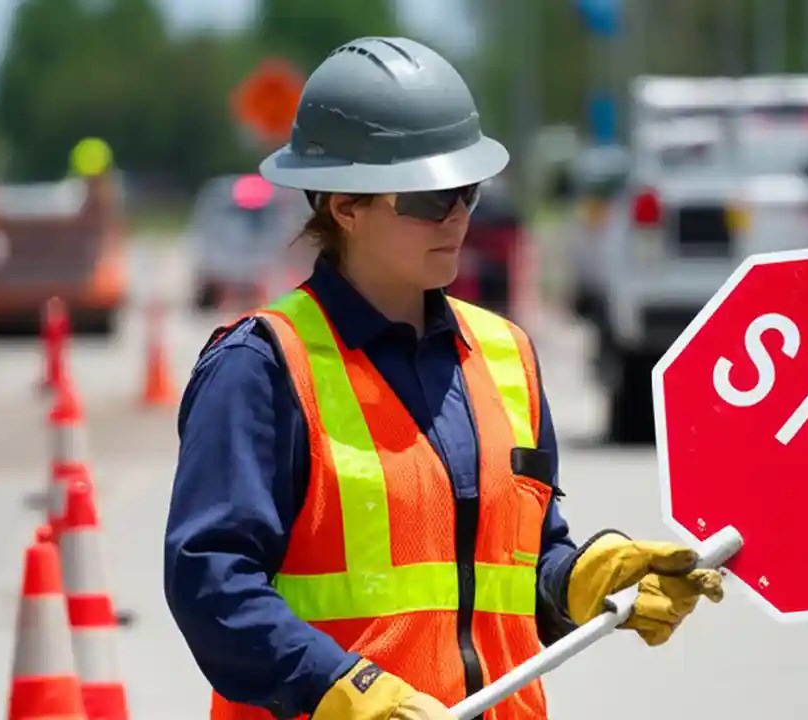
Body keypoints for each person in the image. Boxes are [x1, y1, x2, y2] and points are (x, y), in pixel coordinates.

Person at [164, 36, 723, 720]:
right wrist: (338, 688)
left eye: (467, 189)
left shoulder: (504, 354)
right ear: (345, 204)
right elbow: (210, 581)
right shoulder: (263, 367)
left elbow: (509, 572)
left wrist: (581, 580)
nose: (459, 215)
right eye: (431, 198)